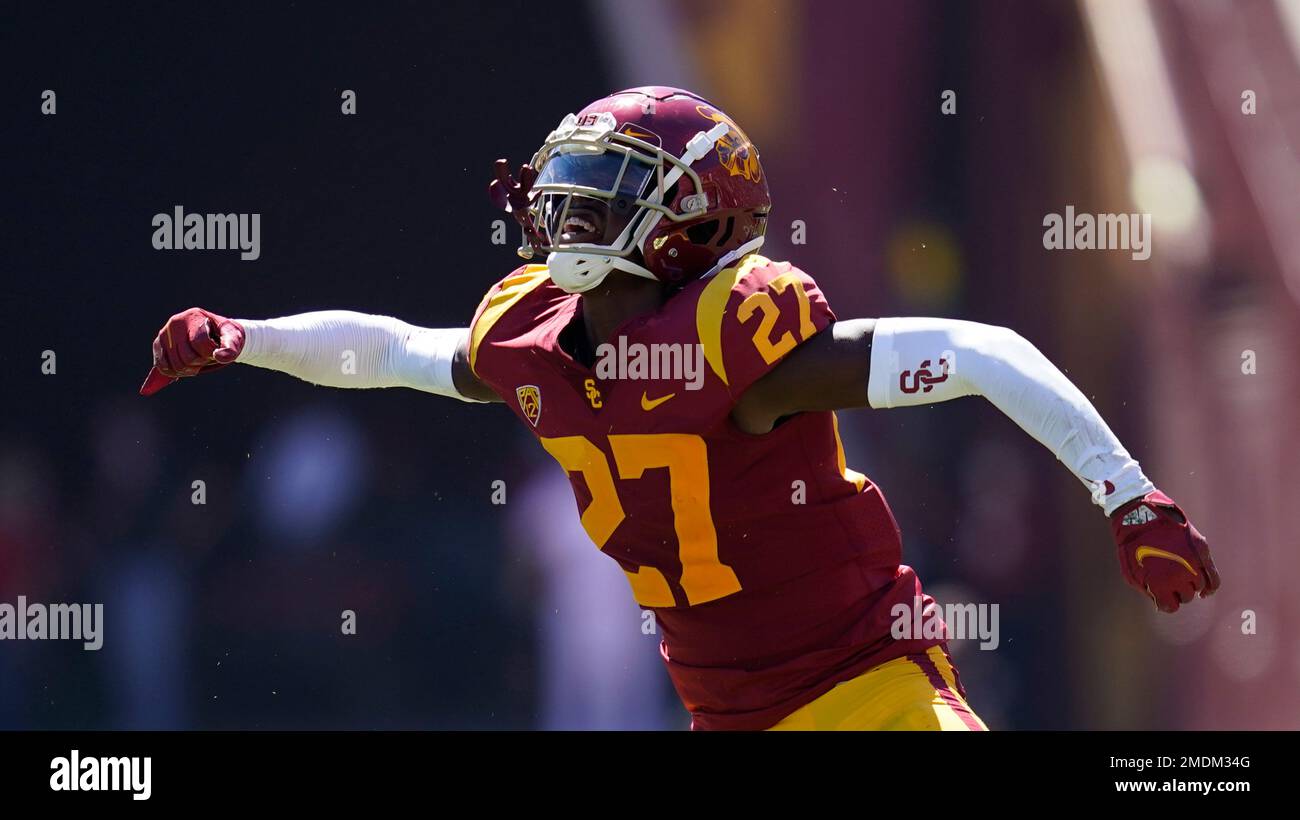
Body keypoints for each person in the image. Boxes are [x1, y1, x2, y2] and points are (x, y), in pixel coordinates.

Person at [141, 86, 1219, 731]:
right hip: (726, 713)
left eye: (605, 182)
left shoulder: (737, 339)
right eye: (571, 175)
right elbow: (395, 351)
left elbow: (980, 350)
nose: (565, 199)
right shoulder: (530, 333)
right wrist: (250, 338)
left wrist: (1127, 497)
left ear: (689, 224)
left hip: (864, 696)